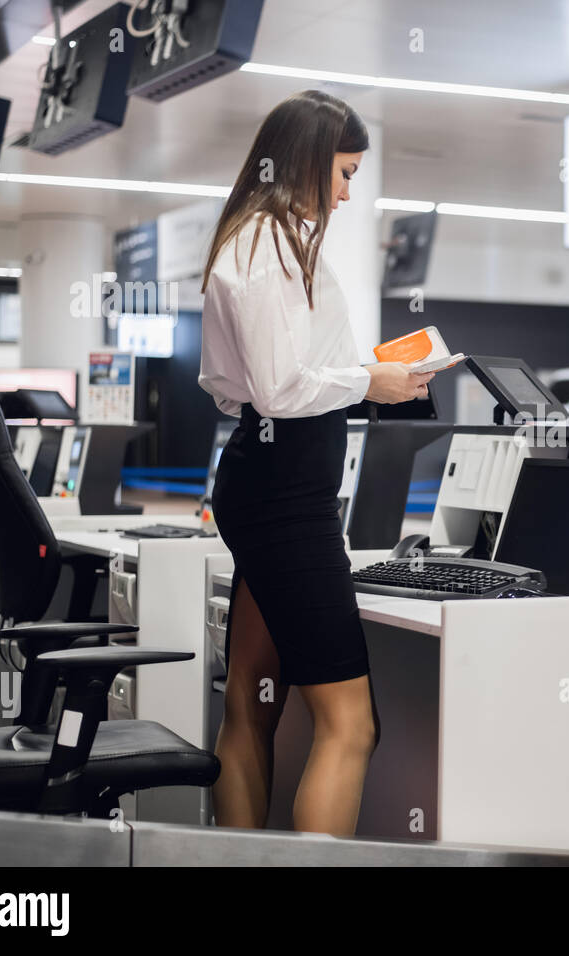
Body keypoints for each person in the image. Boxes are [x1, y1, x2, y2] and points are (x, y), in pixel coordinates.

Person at [198, 90, 434, 836]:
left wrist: (359, 375)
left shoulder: (259, 236)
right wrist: (369, 381)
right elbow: (276, 388)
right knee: (350, 725)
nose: (347, 189)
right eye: (343, 171)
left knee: (251, 702)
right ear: (305, 159)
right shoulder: (269, 244)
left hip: (267, 483)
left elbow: (235, 385)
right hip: (287, 499)